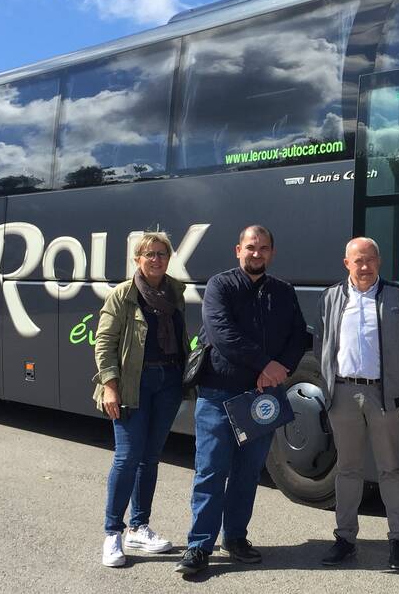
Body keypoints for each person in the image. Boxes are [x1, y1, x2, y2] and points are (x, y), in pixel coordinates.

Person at [174, 225, 308, 576]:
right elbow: (221, 333)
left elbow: (298, 336)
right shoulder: (220, 285)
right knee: (211, 470)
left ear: (272, 253)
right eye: (251, 247)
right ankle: (199, 545)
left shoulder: (283, 291)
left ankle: (234, 537)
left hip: (262, 396)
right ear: (238, 250)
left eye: (264, 248)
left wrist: (281, 369)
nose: (256, 253)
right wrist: (265, 364)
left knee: (248, 472)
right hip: (219, 393)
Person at [315, 237, 399, 570]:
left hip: (384, 395)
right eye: (358, 260)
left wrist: (393, 383)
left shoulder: (397, 297)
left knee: (391, 469)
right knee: (348, 469)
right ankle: (345, 538)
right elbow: (324, 344)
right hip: (343, 394)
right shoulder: (332, 297)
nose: (364, 266)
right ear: (347, 263)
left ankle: (397, 541)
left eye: (370, 259)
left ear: (379, 261)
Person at [93, 232, 188, 567]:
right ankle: (112, 534)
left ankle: (139, 526)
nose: (156, 259)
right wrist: (110, 386)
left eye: (162, 253)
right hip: (134, 383)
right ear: (137, 259)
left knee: (150, 457)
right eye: (149, 254)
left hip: (168, 381)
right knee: (128, 456)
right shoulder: (123, 294)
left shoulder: (175, 291)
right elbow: (104, 342)